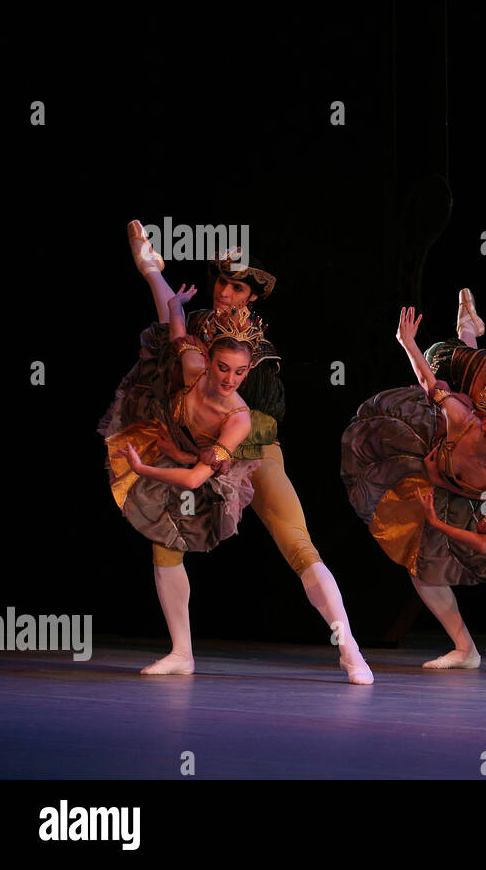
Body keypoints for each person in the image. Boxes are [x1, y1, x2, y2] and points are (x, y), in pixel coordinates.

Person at [122, 221, 373, 684]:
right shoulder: (199, 327)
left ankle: (350, 648)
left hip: (253, 450)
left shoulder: (257, 352)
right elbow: (172, 323)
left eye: (237, 287)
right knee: (165, 537)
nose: (226, 292)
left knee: (297, 543)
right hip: (198, 450)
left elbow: (264, 416)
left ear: (252, 297)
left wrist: (216, 449)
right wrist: (151, 272)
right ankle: (182, 651)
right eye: (223, 282)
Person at [341, 307, 486, 677]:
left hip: (484, 488)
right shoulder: (463, 409)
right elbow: (428, 382)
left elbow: (485, 536)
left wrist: (457, 502)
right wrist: (407, 343)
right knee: (422, 566)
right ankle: (465, 647)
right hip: (452, 456)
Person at [100, 266, 262, 675]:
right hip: (173, 442)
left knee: (178, 534)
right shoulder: (192, 366)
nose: (229, 379)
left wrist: (141, 468)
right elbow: (176, 334)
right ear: (207, 360)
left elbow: (194, 479)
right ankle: (181, 652)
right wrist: (175, 305)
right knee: (163, 546)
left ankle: (345, 641)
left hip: (207, 470)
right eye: (223, 367)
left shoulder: (239, 417)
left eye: (240, 372)